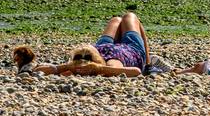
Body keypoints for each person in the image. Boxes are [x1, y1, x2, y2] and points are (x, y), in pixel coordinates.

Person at [15, 10, 151, 77]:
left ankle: (150, 63)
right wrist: (100, 69)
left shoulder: (76, 64)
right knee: (130, 17)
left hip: (101, 48)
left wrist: (65, 67)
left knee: (116, 20)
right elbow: (136, 71)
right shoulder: (111, 64)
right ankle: (149, 63)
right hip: (129, 49)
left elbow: (42, 70)